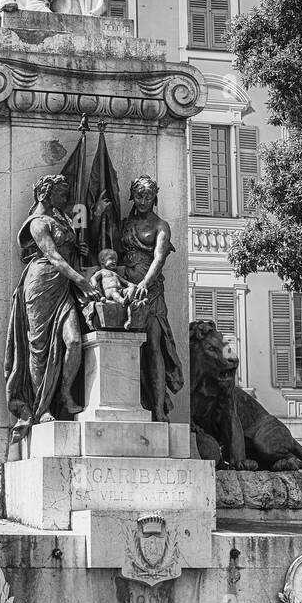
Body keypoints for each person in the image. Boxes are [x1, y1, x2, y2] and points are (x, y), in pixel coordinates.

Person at [4, 175, 97, 441]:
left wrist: (78, 247)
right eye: (61, 194)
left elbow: (65, 251)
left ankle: (65, 393)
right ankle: (40, 407)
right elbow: (53, 256)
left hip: (63, 286)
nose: (66, 199)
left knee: (74, 341)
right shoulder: (37, 224)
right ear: (46, 194)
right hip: (41, 284)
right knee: (39, 349)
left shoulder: (63, 220)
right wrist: (80, 280)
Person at [120, 176, 184, 420]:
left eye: (148, 196)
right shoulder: (125, 224)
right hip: (125, 287)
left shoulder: (161, 226)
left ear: (155, 197)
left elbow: (159, 258)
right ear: (132, 196)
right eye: (139, 195)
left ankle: (158, 407)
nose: (143, 200)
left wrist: (144, 284)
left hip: (150, 292)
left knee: (153, 346)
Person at [84, 248, 139, 328]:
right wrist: (94, 283)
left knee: (131, 289)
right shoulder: (102, 272)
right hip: (110, 292)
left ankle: (129, 299)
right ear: (102, 261)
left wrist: (131, 286)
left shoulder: (115, 274)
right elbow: (93, 278)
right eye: (111, 259)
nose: (114, 261)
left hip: (120, 290)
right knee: (114, 293)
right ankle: (123, 302)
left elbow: (126, 282)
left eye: (115, 260)